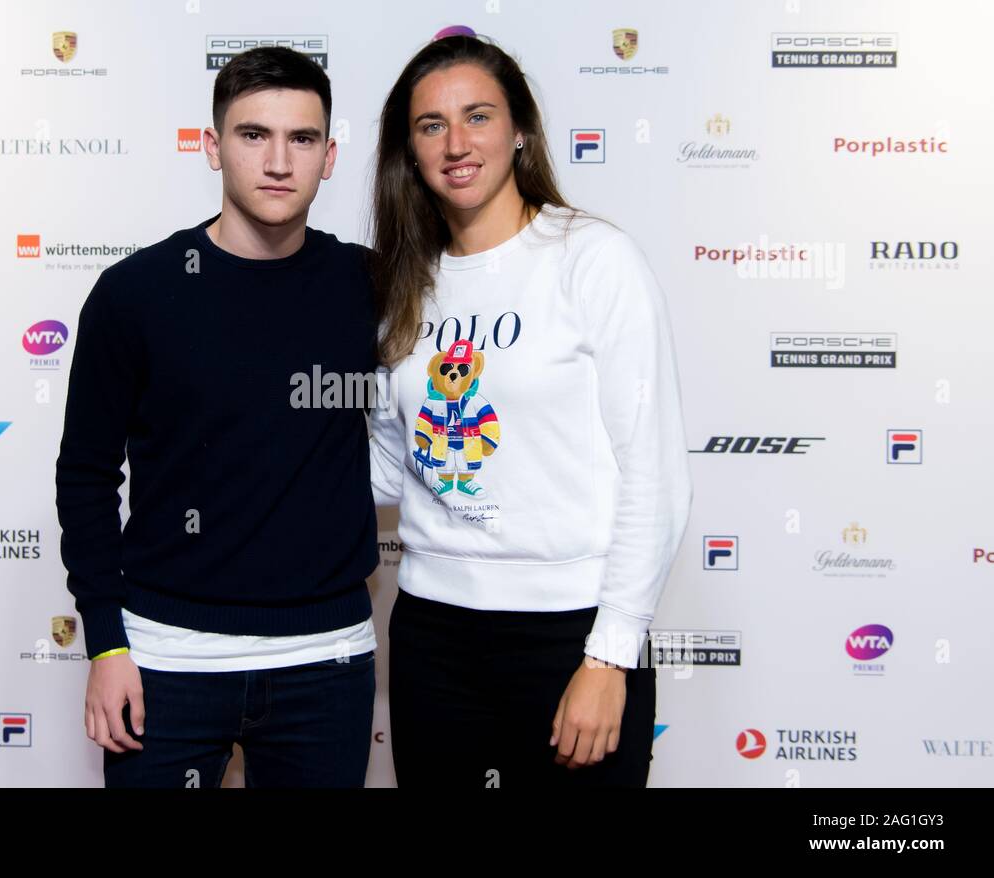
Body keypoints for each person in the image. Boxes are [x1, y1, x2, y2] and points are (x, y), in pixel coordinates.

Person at [367, 33, 693, 788]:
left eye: (477, 116)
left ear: (520, 131)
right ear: (407, 151)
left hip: (570, 636)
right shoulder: (402, 286)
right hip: (431, 637)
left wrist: (609, 655)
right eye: (430, 125)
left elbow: (654, 475)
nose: (456, 143)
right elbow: (388, 467)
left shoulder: (592, 258)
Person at [55, 46, 379, 788]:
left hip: (324, 665)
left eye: (301, 139)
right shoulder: (135, 294)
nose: (277, 161)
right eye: (252, 134)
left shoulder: (367, 285)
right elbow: (86, 477)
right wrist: (106, 645)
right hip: (166, 664)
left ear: (329, 158)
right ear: (211, 146)